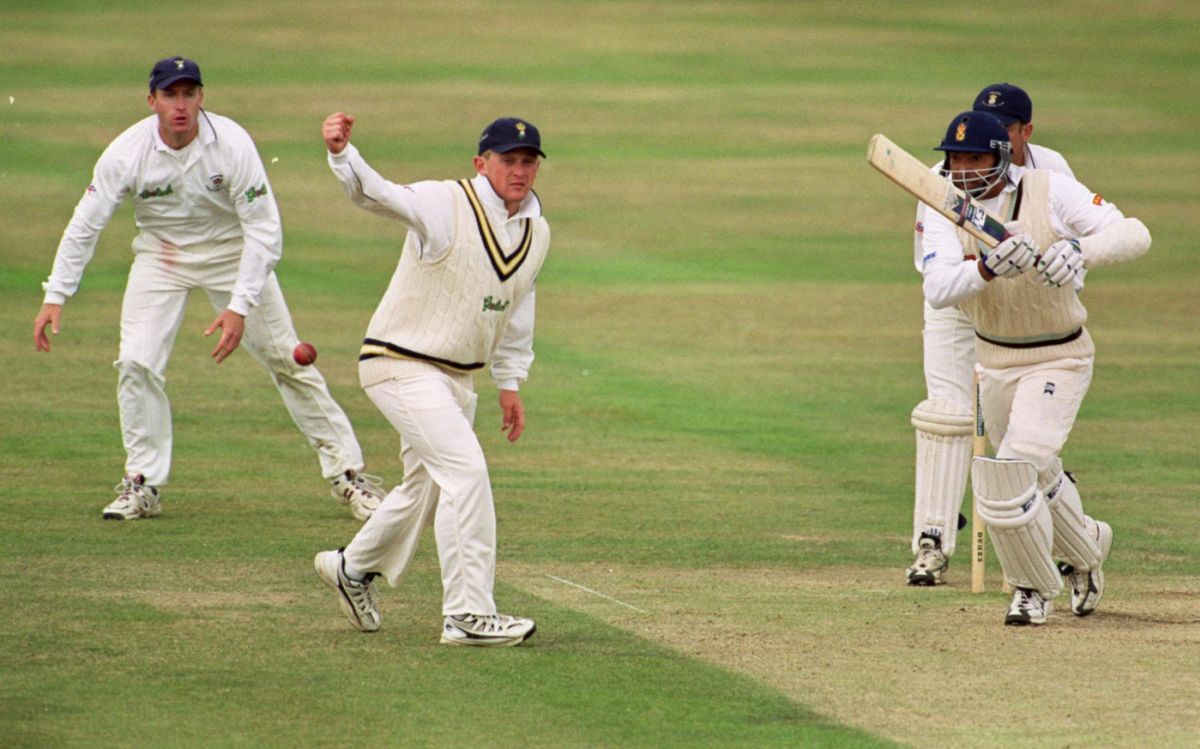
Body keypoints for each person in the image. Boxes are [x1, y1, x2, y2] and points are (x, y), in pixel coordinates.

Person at [32, 57, 385, 522]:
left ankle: (349, 476)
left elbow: (264, 230)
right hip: (161, 257)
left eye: (188, 94)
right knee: (136, 362)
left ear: (201, 97)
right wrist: (56, 293)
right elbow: (86, 223)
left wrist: (239, 306)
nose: (180, 105)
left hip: (232, 252)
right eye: (169, 95)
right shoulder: (126, 152)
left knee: (287, 360)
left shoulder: (232, 144)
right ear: (152, 100)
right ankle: (143, 483)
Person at [312, 112, 549, 647]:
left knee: (423, 488)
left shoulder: (536, 229)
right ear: (481, 163)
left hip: (455, 378)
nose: (519, 170)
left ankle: (352, 568)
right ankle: (467, 614)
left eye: (528, 160)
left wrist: (509, 382)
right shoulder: (446, 202)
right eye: (507, 160)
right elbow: (378, 196)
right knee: (465, 472)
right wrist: (342, 154)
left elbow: (518, 305)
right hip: (399, 364)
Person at [920, 110, 1150, 624]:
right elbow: (936, 290)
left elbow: (1135, 233)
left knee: (1011, 469)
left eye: (974, 157)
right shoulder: (943, 206)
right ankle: (1088, 549)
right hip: (995, 359)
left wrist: (1078, 249)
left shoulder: (1051, 189)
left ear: (1002, 156)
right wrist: (986, 266)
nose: (962, 169)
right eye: (954, 159)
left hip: (1060, 354)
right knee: (1038, 474)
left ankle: (1031, 588)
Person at [906, 83, 1077, 586]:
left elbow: (1074, 234)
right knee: (946, 413)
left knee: (1019, 436)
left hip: (1023, 310)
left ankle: (1060, 543)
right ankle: (931, 541)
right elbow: (936, 276)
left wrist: (1059, 263)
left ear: (1025, 132)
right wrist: (985, 267)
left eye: (1002, 130)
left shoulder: (1050, 169)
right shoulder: (945, 177)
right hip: (959, 299)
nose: (983, 149)